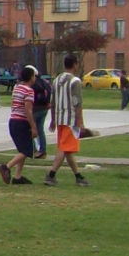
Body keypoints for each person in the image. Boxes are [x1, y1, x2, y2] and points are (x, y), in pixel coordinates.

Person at [45, 54, 89, 186]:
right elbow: (77, 103)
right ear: (75, 64)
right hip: (70, 120)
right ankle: (51, 174)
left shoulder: (57, 80)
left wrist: (53, 119)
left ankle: (78, 176)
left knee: (67, 149)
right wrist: (80, 122)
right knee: (64, 149)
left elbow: (52, 102)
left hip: (60, 119)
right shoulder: (75, 81)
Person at [0, 65, 40, 185]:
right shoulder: (29, 91)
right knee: (28, 150)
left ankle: (18, 176)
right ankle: (6, 167)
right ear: (31, 77)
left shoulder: (17, 88)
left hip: (13, 120)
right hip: (22, 121)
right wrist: (33, 126)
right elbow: (28, 110)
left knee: (22, 150)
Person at [29, 71, 52, 159]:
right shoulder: (44, 82)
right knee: (40, 130)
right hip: (44, 108)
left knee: (30, 129)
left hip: (35, 109)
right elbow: (50, 91)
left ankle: (33, 150)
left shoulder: (32, 84)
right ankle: (43, 151)